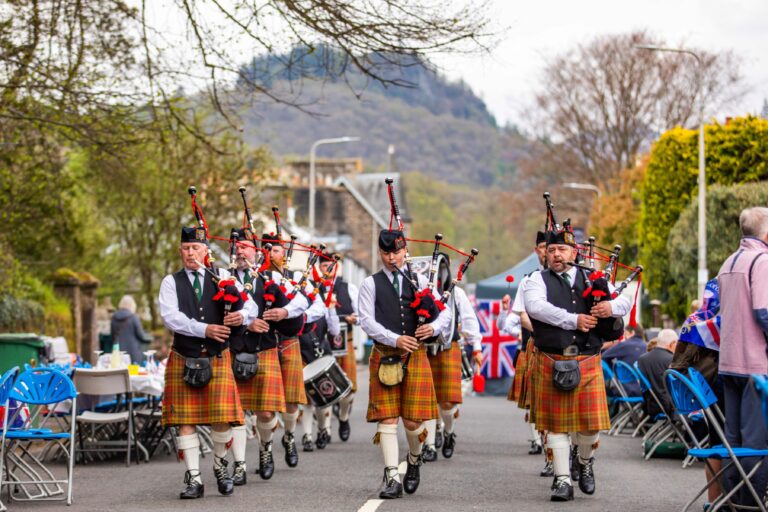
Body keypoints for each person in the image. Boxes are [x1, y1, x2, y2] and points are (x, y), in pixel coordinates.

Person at [524, 228, 630, 502]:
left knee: (590, 427)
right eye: (551, 250)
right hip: (552, 358)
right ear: (545, 254)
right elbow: (536, 308)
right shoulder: (536, 279)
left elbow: (625, 300)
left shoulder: (594, 279)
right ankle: (562, 480)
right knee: (557, 426)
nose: (556, 255)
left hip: (587, 358)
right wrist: (574, 320)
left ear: (574, 253)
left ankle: (584, 462)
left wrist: (611, 308)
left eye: (561, 250)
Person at [158, 226, 257, 499]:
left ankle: (219, 467)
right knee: (185, 421)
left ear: (206, 251)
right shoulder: (171, 282)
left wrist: (243, 317)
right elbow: (170, 317)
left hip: (217, 356)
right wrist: (205, 329)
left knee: (222, 419)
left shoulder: (223, 276)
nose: (190, 253)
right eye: (186, 248)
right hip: (184, 356)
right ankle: (194, 478)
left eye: (195, 248)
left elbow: (251, 305)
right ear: (180, 251)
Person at [359, 229, 451, 499]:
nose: (391, 258)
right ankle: (390, 476)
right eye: (386, 253)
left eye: (396, 252)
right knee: (387, 419)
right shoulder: (370, 284)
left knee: (413, 422)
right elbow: (366, 320)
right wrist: (395, 339)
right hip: (386, 353)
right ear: (380, 253)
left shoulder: (420, 279)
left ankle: (413, 458)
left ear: (404, 251)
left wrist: (432, 328)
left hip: (415, 355)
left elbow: (444, 313)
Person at [228, 228, 291, 485]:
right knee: (235, 413)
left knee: (265, 413)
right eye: (236, 246)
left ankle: (266, 450)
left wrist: (283, 313)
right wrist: (247, 323)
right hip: (233, 349)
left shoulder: (270, 278)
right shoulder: (222, 278)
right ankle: (240, 465)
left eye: (244, 245)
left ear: (256, 250)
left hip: (264, 349)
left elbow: (298, 305)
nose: (240, 250)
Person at [717, 207, 768, 507]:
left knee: (733, 441)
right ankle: (752, 503)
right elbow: (763, 311)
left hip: (730, 362)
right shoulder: (762, 261)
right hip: (756, 366)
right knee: (756, 444)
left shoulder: (728, 262)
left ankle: (732, 501)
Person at [260, 232, 326, 465]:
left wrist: (294, 316)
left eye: (276, 250)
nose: (271, 254)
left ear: (284, 254)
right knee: (265, 406)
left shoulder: (298, 277)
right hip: (263, 344)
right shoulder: (256, 277)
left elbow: (320, 307)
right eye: (266, 249)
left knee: (291, 402)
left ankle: (288, 437)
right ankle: (265, 448)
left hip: (288, 342)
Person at [422, 256, 482, 462]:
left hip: (448, 347)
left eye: (441, 267)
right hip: (423, 348)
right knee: (426, 399)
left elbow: (469, 320)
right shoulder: (420, 291)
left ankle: (448, 432)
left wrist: (476, 347)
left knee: (447, 402)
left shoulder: (457, 293)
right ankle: (429, 445)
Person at [505, 231, 548, 465]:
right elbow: (512, 321)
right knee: (535, 401)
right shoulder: (528, 280)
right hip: (532, 347)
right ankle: (539, 442)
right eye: (543, 247)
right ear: (537, 250)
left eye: (551, 247)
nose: (547, 251)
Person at [319, 252, 359, 442]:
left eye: (332, 265)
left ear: (338, 267)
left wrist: (354, 318)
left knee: (348, 388)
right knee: (324, 388)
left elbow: (362, 316)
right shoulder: (313, 288)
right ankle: (325, 429)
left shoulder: (349, 288)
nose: (328, 269)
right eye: (325, 265)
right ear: (319, 267)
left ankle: (343, 417)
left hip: (346, 341)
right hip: (322, 342)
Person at [636, 329, 677, 418]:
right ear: (672, 343)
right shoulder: (672, 360)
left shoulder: (642, 359)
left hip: (650, 404)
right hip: (671, 407)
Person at [601, 324, 647, 396]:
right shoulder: (647, 346)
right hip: (647, 390)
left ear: (632, 333)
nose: (624, 337)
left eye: (625, 333)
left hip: (626, 389)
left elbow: (603, 356)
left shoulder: (624, 345)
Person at [111, 295, 148, 364]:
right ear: (132, 305)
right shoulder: (133, 317)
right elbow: (141, 335)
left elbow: (113, 335)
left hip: (117, 350)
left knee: (118, 371)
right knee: (133, 372)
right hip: (132, 351)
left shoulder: (114, 317)